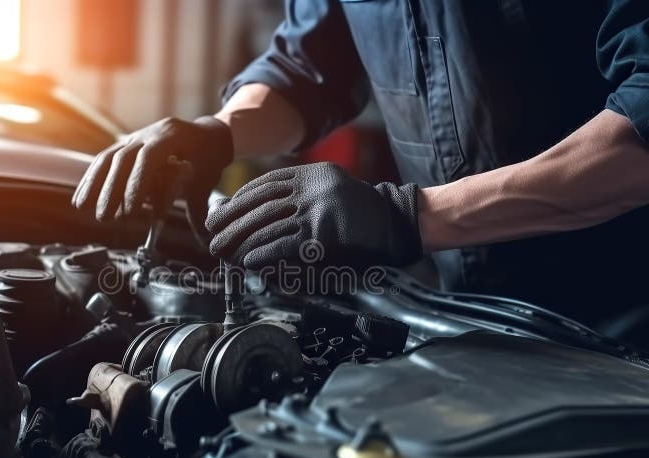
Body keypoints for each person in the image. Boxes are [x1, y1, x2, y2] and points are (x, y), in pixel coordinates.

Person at [73, 0, 649, 338]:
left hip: (623, 324)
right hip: (467, 313)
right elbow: (304, 69)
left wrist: (407, 216)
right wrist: (219, 132)